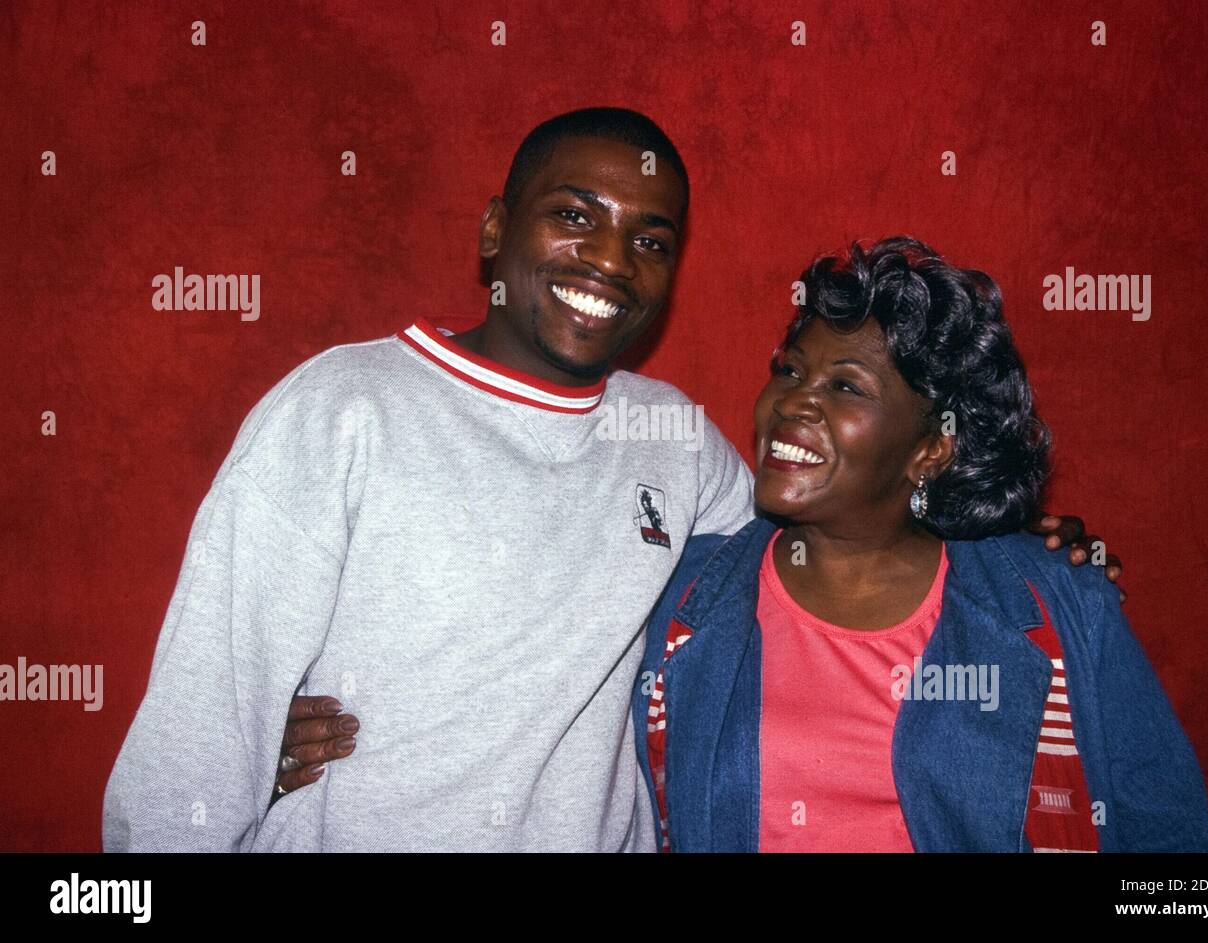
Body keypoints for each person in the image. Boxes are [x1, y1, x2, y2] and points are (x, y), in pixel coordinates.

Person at [105, 109, 1114, 852]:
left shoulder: (669, 440)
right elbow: (200, 729)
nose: (609, 260)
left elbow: (828, 542)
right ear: (496, 229)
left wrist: (998, 549)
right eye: (575, 216)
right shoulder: (340, 408)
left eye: (649, 239)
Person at [630, 237, 1208, 852]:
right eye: (790, 370)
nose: (794, 401)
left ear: (931, 448)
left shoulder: (1059, 606)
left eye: (847, 388)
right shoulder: (678, 602)